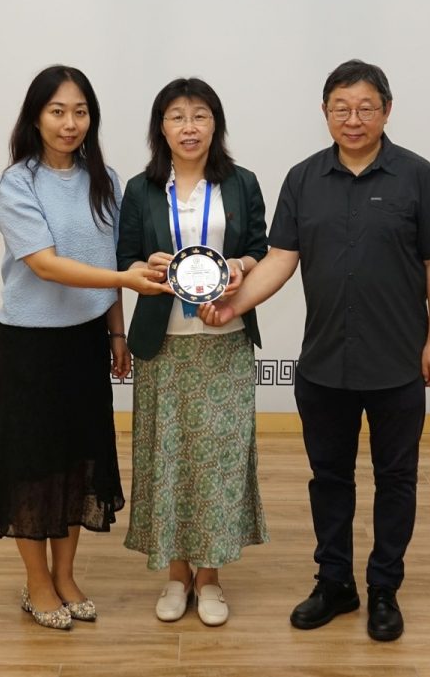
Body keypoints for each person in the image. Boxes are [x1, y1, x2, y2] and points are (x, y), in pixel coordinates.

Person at [200, 59, 430, 642]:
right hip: (324, 365)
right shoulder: (303, 179)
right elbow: (281, 260)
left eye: (366, 107)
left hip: (397, 362)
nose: (353, 118)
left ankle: (385, 589)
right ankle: (335, 583)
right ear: (324, 114)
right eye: (340, 108)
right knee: (329, 477)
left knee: (397, 478)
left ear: (387, 111)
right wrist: (232, 306)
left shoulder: (418, 176)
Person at [0, 65, 164, 631]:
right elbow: (46, 264)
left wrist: (117, 332)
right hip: (31, 342)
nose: (69, 122)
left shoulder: (105, 179)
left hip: (85, 341)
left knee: (81, 457)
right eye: (58, 111)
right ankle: (36, 584)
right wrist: (125, 282)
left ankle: (67, 574)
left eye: (80, 111)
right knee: (34, 461)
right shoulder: (17, 183)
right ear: (36, 116)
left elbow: (110, 264)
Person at [117, 77, 270, 626]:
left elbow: (261, 248)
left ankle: (211, 578)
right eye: (178, 116)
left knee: (220, 462)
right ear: (161, 126)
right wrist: (149, 268)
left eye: (200, 115)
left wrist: (240, 270)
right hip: (164, 347)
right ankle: (176, 575)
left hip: (224, 342)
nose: (189, 127)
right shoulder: (139, 189)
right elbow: (127, 261)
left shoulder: (242, 183)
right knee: (170, 460)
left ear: (216, 124)